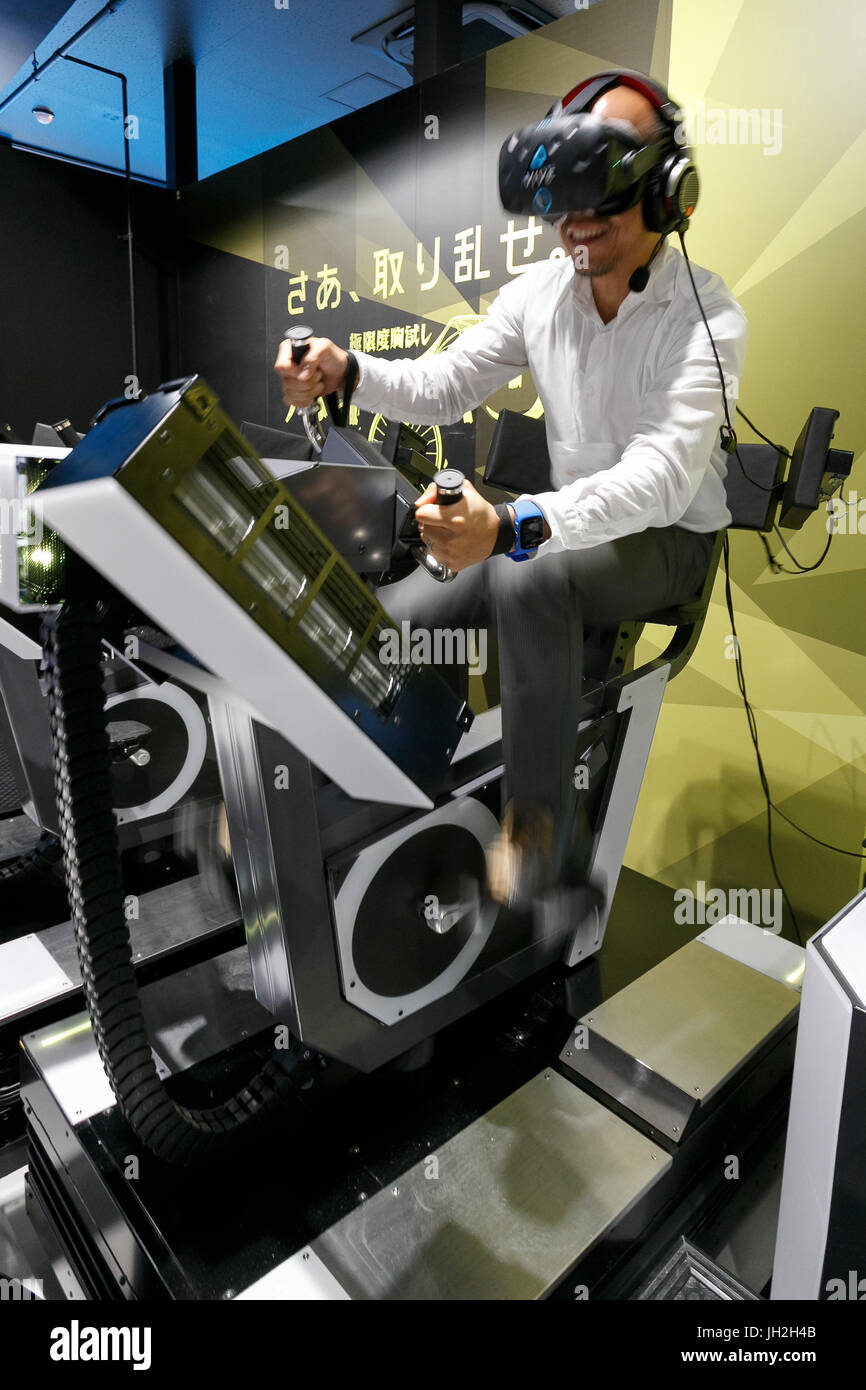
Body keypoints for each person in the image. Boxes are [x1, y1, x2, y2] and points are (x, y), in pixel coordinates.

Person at [274, 71, 749, 911]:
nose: (577, 214)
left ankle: (539, 833)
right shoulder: (540, 295)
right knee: (417, 600)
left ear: (670, 186)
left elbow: (664, 478)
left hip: (670, 543)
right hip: (574, 530)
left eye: (603, 179)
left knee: (527, 568)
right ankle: (334, 789)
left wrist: (518, 526)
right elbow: (446, 384)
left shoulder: (705, 312)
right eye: (562, 191)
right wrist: (347, 370)